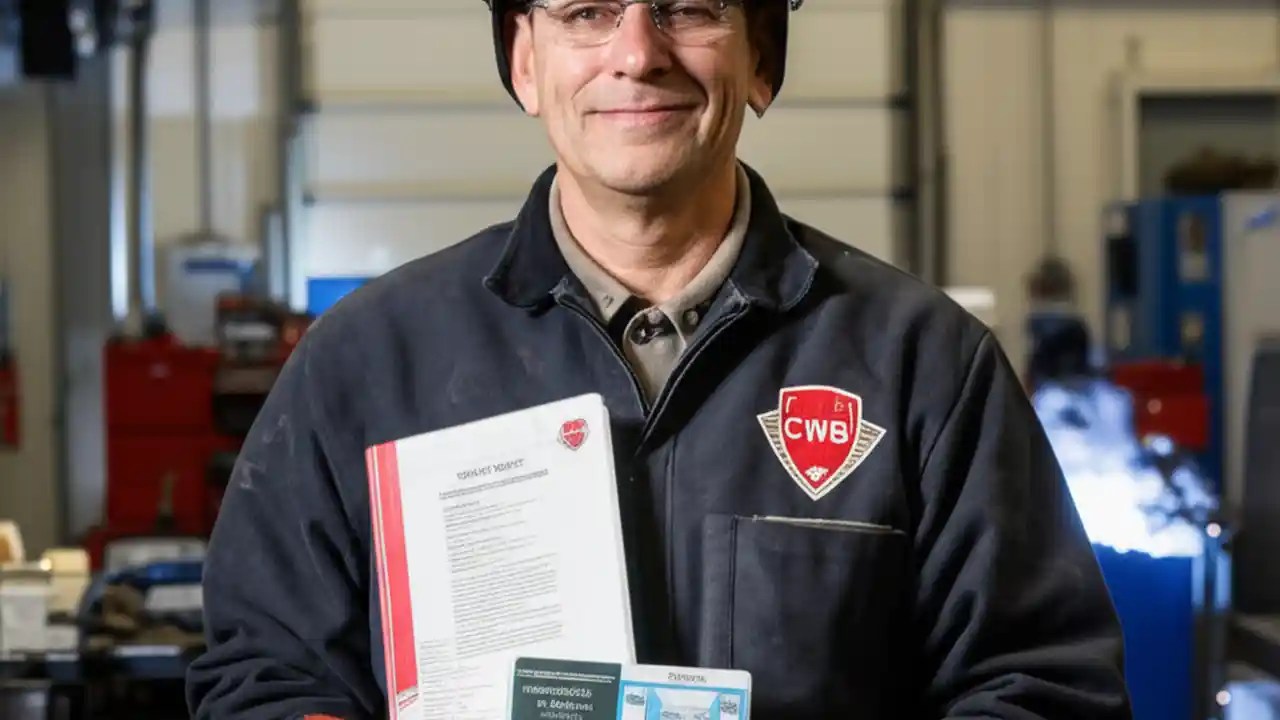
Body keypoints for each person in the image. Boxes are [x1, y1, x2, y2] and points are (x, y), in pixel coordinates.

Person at [187, 1, 1132, 717]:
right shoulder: (369, 361)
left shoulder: (920, 362)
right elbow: (263, 670)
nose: (637, 54)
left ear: (762, 55)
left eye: (689, 7)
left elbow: (1040, 682)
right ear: (524, 60)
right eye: (588, 12)